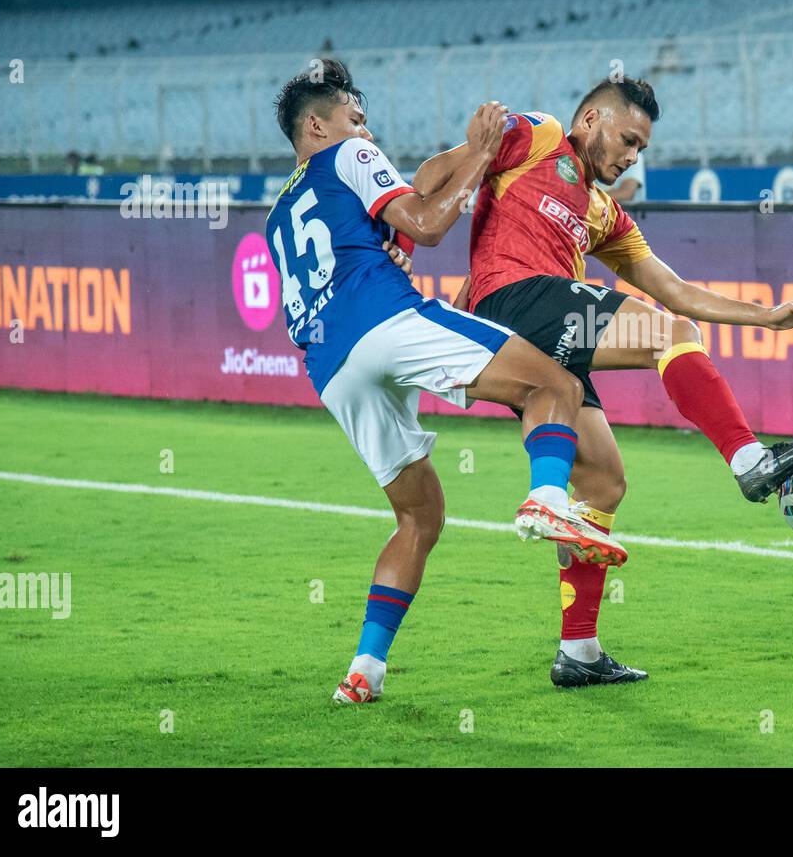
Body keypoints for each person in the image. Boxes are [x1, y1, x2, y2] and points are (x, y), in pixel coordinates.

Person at [400, 78, 793, 688]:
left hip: (548, 339)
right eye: (628, 139)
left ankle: (578, 653)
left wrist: (767, 316)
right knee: (667, 334)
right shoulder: (540, 136)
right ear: (591, 119)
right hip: (512, 302)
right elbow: (437, 170)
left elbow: (676, 288)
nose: (633, 156)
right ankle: (747, 459)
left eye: (642, 149)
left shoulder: (605, 215)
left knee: (603, 482)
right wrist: (399, 239)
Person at [266, 59, 625, 706]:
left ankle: (365, 668)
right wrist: (483, 153)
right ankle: (546, 496)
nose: (365, 128)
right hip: (384, 319)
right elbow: (428, 226)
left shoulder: (279, 212)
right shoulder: (348, 155)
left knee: (420, 515)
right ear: (317, 125)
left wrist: (385, 249)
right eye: (355, 117)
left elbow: (347, 260)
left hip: (330, 366)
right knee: (556, 385)